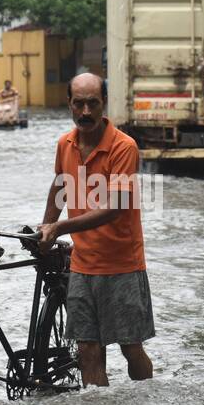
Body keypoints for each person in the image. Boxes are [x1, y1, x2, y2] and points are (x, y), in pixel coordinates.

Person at [38, 72, 154, 386]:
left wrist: (59, 227)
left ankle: (145, 402)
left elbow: (114, 208)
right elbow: (60, 187)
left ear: (104, 104)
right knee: (88, 350)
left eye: (93, 104)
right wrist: (46, 228)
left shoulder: (123, 147)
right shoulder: (65, 144)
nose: (86, 112)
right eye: (79, 104)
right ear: (69, 105)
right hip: (83, 265)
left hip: (122, 266)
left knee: (130, 348)